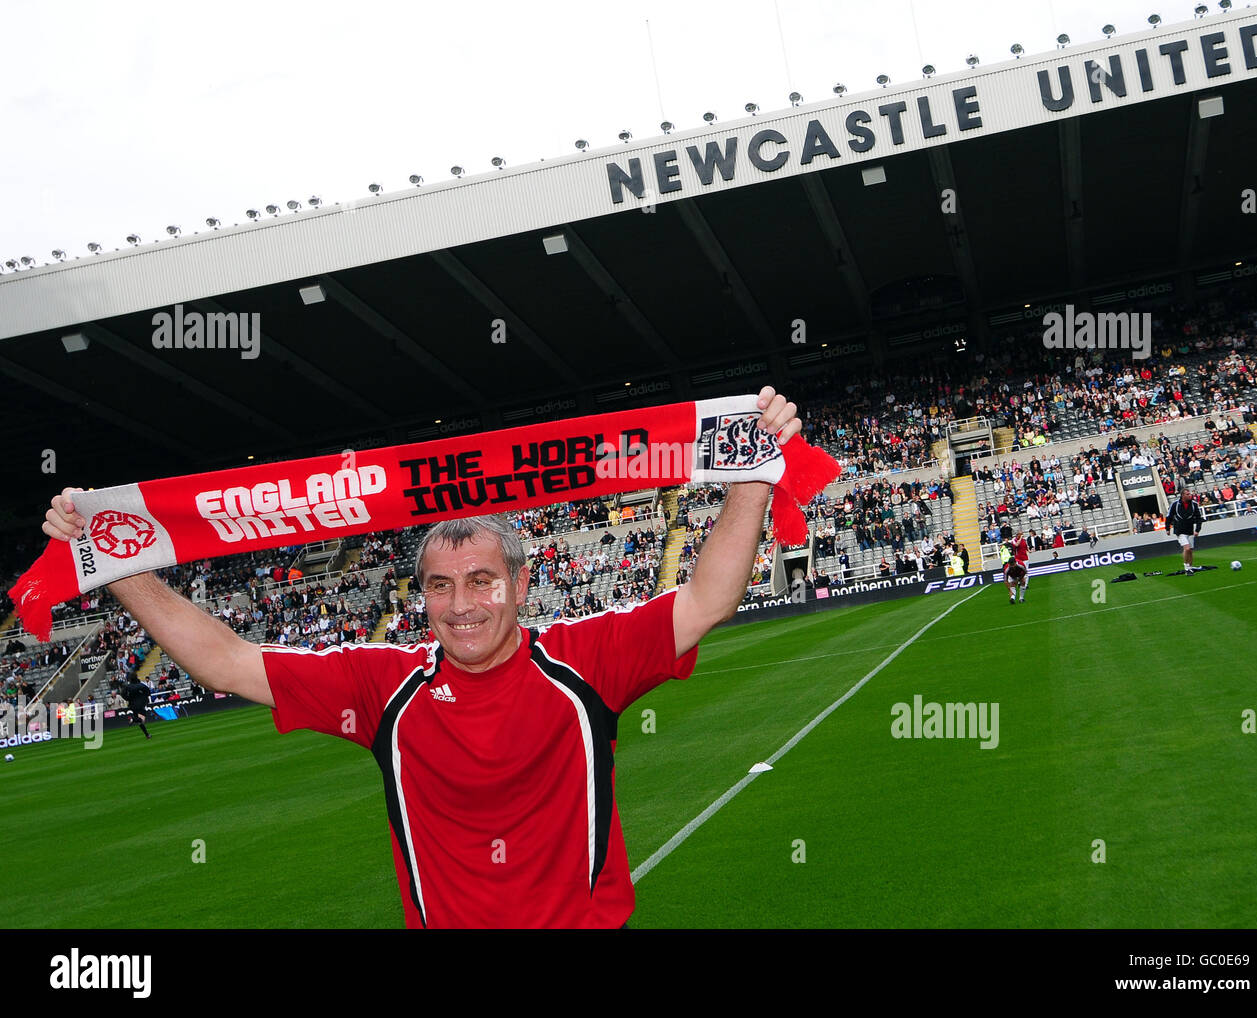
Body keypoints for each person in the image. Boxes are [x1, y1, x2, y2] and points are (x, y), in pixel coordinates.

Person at [43, 386, 802, 929]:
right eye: (441, 586)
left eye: (481, 582)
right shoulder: (382, 686)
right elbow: (230, 663)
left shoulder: (586, 660)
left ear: (521, 583)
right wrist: (113, 562)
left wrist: (751, 477)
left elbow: (707, 601)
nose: (462, 605)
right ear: (422, 595)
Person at [1166, 487, 1205, 573]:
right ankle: (1186, 566)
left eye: (1190, 494)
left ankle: (1190, 567)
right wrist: (1167, 528)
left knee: (1190, 550)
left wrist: (1197, 530)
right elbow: (1169, 516)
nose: (1190, 495)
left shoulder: (1194, 504)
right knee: (1186, 548)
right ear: (1183, 495)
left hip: (1190, 529)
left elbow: (1199, 518)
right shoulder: (1175, 504)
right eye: (1188, 494)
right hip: (1179, 530)